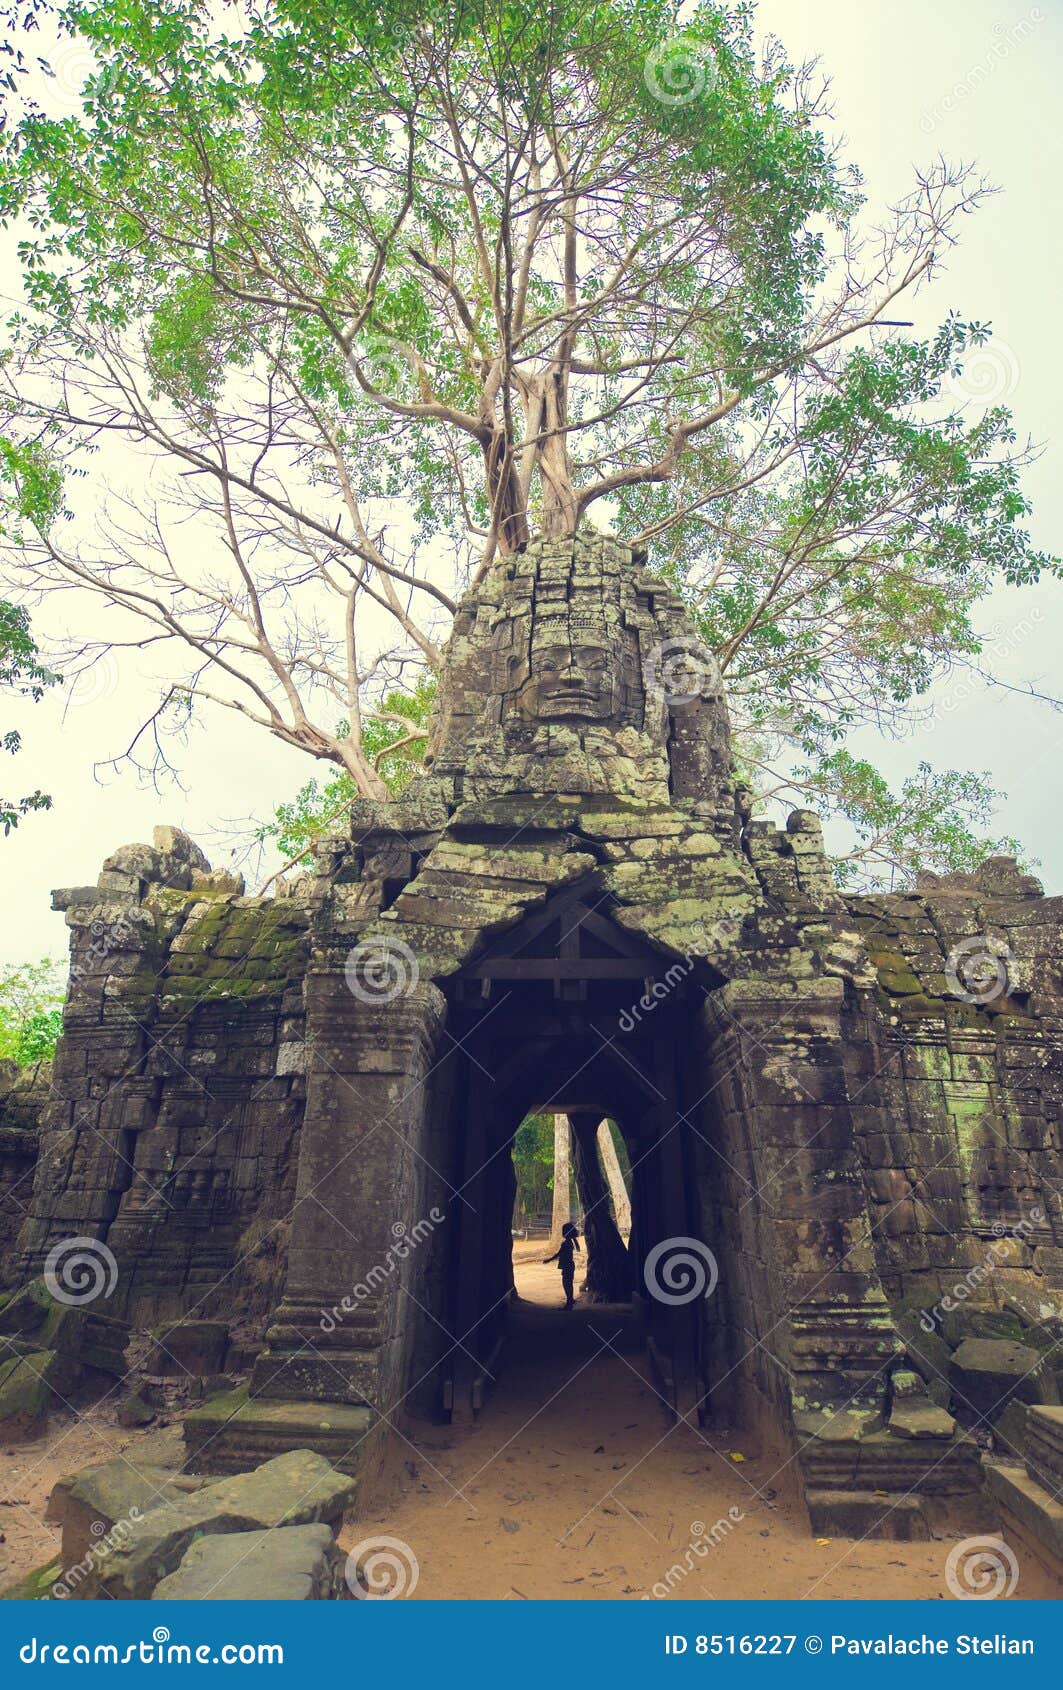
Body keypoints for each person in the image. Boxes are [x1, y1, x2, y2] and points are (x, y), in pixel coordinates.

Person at [544, 1222, 581, 1309]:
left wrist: (549, 1260)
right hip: (570, 1265)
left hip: (567, 1266)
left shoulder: (566, 1243)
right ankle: (570, 1300)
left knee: (566, 1284)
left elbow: (559, 1254)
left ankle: (569, 1303)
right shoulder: (570, 1242)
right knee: (569, 1283)